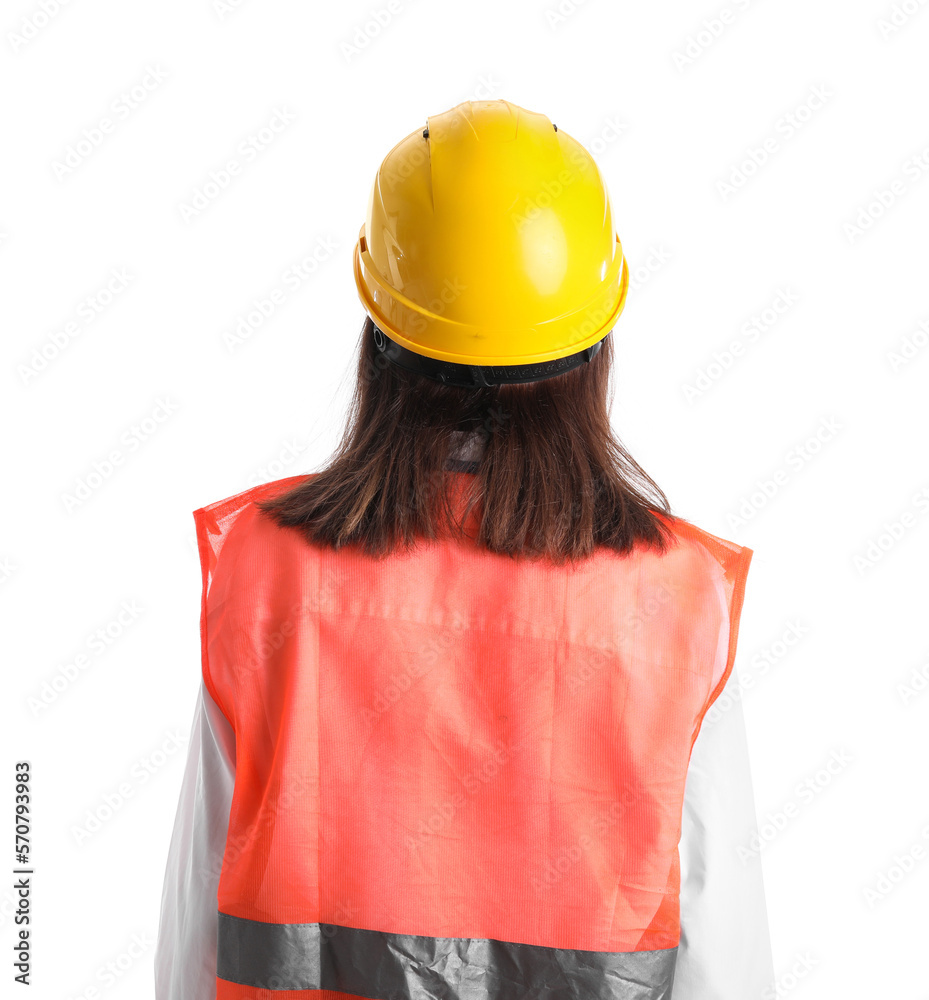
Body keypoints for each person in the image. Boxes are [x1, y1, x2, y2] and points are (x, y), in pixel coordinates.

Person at [154, 99, 774, 999]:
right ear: (594, 349)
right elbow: (727, 966)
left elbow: (194, 929)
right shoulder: (674, 611)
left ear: (379, 333)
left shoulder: (263, 577)